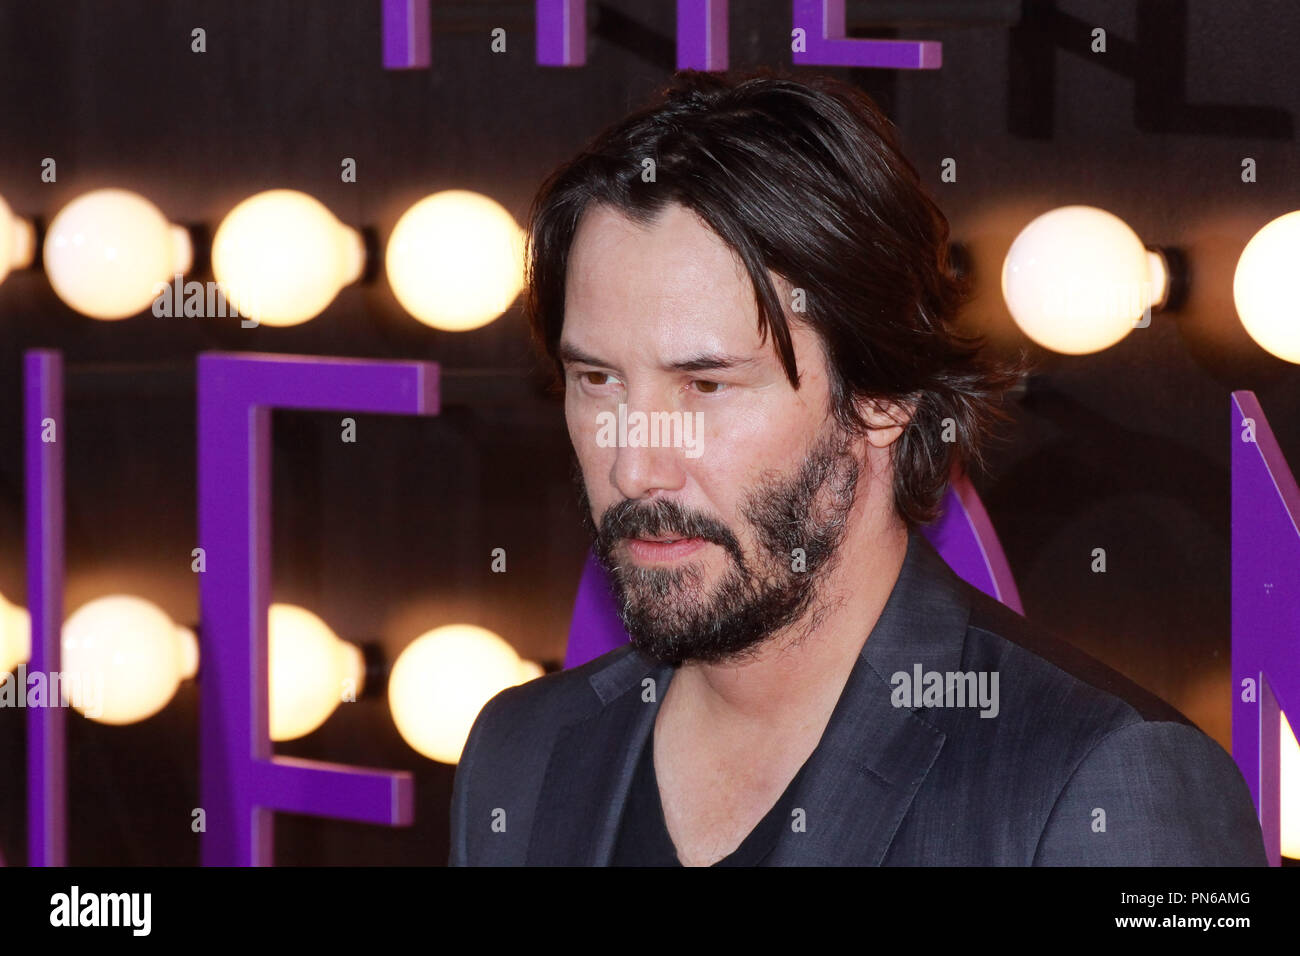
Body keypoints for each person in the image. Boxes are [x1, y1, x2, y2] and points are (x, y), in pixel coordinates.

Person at [449, 67, 1266, 866]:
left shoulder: (1104, 783)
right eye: (597, 380)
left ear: (883, 396)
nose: (634, 466)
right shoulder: (522, 751)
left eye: (705, 385)